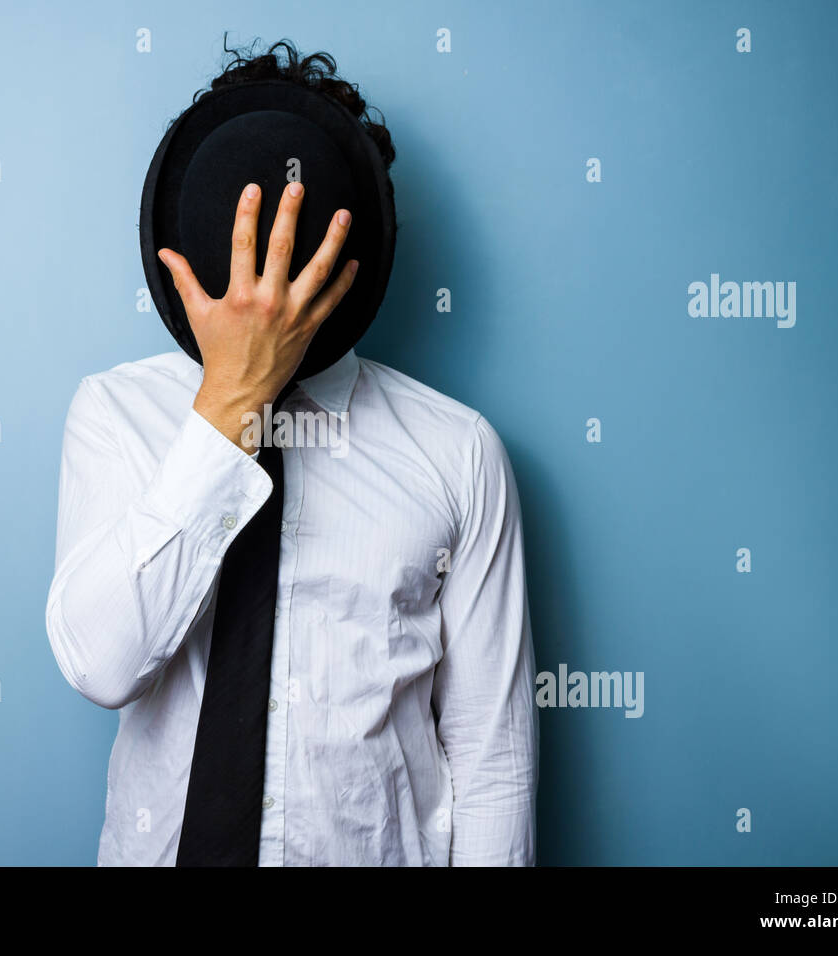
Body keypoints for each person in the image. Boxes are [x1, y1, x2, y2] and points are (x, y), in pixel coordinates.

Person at [45, 37, 538, 866]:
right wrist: (233, 397)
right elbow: (101, 665)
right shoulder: (115, 413)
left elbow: (494, 765)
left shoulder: (460, 453)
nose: (268, 260)